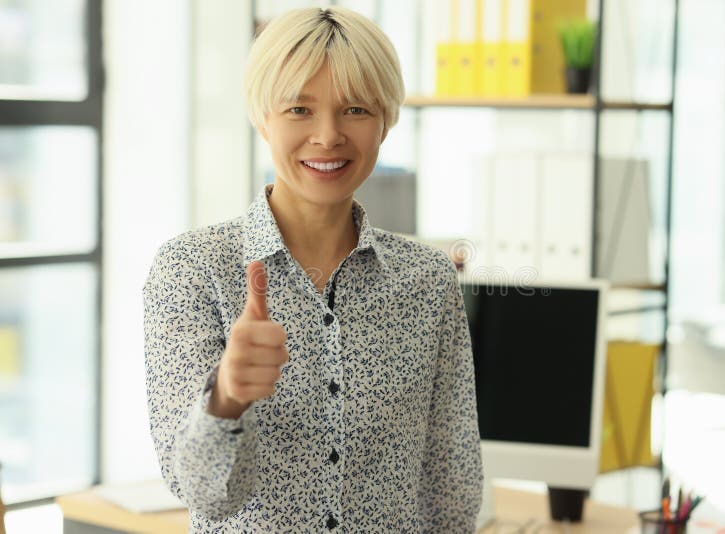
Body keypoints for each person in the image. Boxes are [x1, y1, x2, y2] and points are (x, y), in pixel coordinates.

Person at [144, 6, 482, 532]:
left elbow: (450, 493)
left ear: (386, 120)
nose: (327, 136)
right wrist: (227, 397)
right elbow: (206, 497)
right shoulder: (192, 270)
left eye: (355, 110)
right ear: (262, 118)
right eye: (299, 110)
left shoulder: (429, 281)